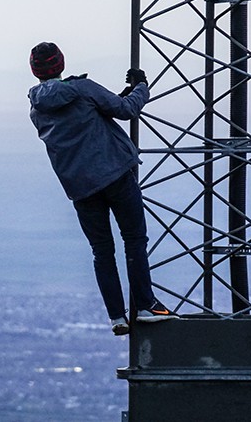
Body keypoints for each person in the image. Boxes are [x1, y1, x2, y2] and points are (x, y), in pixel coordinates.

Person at [27, 42, 178, 336]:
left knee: (102, 251)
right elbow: (126, 110)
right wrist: (141, 87)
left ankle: (116, 316)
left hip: (81, 188)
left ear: (35, 71)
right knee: (134, 239)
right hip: (116, 174)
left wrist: (111, 100)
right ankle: (146, 305)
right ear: (61, 63)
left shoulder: (36, 108)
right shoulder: (82, 88)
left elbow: (80, 122)